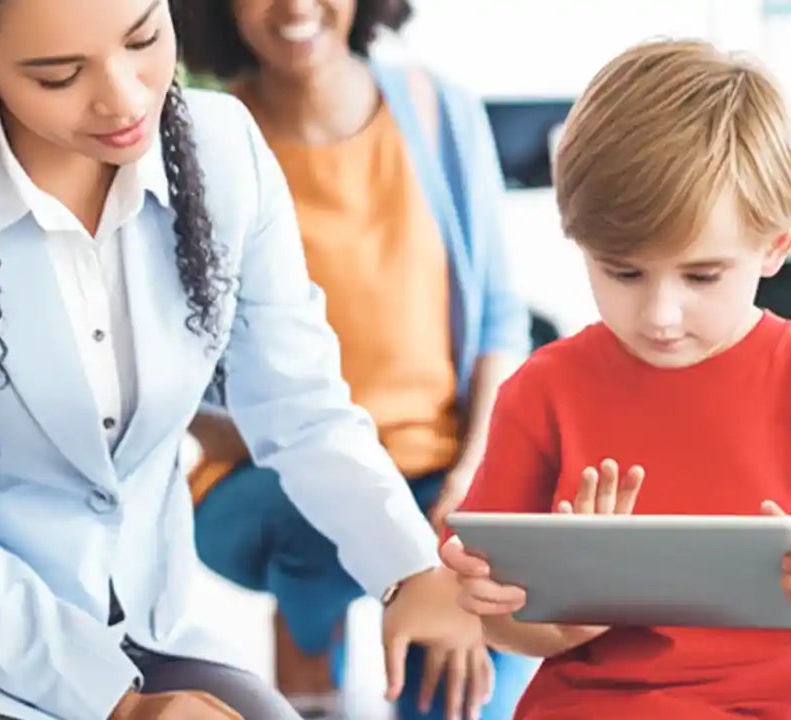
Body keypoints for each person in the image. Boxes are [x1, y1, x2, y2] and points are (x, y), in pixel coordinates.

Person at [0, 1, 487, 718]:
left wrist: (409, 568)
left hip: (138, 635)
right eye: (59, 75)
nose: (125, 96)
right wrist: (116, 705)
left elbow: (302, 409)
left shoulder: (223, 151)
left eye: (143, 37)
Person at [440, 39, 791, 719]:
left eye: (702, 276)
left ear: (776, 243)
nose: (659, 315)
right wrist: (570, 617)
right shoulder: (543, 393)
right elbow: (503, 622)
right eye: (622, 272)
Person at [177, 1, 538, 718]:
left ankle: (326, 642)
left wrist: (473, 477)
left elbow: (500, 321)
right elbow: (163, 352)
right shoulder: (207, 141)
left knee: (478, 664)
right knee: (330, 517)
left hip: (440, 469)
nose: (295, 7)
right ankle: (317, 626)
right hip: (270, 482)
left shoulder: (441, 112)